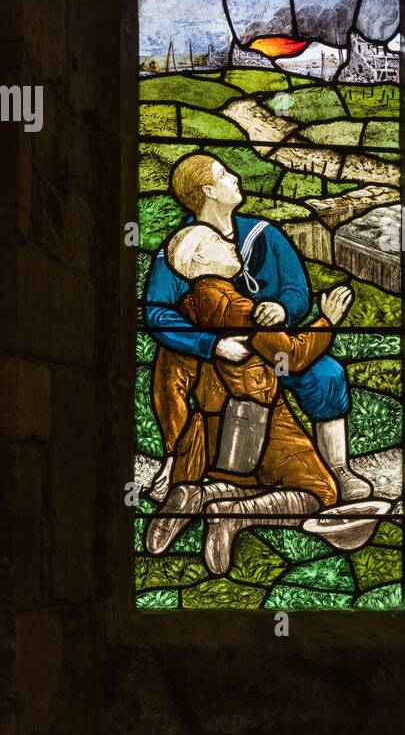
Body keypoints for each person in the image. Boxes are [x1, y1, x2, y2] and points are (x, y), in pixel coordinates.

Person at [146, 223, 388, 574]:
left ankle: (204, 495)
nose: (229, 241)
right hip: (264, 421)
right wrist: (327, 321)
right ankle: (231, 513)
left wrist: (175, 449)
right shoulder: (238, 307)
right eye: (216, 240)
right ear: (198, 258)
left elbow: (169, 384)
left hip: (213, 437)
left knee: (247, 483)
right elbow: (290, 357)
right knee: (321, 493)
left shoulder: (186, 311)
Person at [143, 152, 372, 505]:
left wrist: (280, 308)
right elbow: (157, 314)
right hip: (215, 356)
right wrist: (211, 345)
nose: (235, 177)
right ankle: (176, 459)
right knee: (169, 362)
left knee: (326, 373)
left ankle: (338, 468)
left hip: (274, 348)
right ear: (208, 190)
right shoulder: (182, 247)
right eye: (224, 174)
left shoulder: (264, 235)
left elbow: (297, 291)